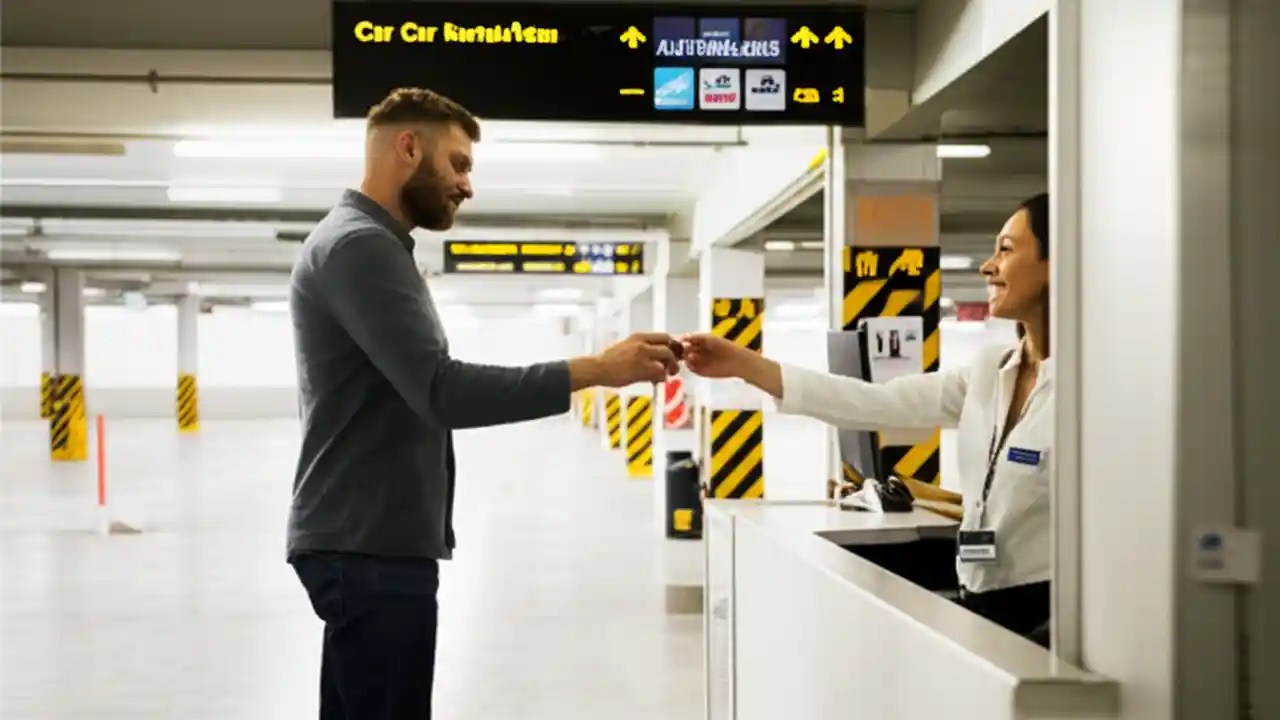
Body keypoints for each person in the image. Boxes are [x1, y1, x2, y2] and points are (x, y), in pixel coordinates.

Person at [286, 87, 680, 719]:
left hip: (372, 539)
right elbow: (441, 390)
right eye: (460, 164)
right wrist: (598, 369)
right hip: (369, 545)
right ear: (408, 147)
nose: (467, 185)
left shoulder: (367, 244)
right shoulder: (360, 246)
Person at [682, 193, 1054, 644]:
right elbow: (873, 401)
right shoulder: (990, 372)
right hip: (978, 596)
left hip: (1049, 614)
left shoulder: (1097, 390)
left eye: (1006, 249)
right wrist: (745, 365)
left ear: (1058, 264)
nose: (988, 265)